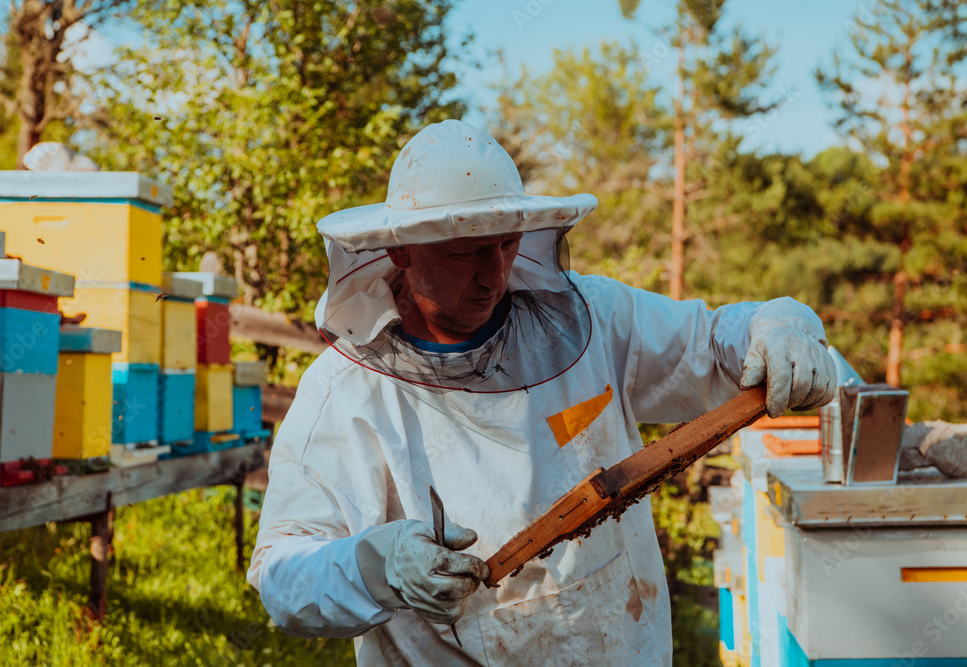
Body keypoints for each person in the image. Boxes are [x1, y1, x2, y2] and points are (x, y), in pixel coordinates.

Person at [247, 120, 838, 666]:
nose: (493, 274)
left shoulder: (593, 317)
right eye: (464, 253)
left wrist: (779, 326)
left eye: (506, 245)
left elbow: (713, 341)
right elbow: (283, 574)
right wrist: (380, 567)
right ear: (399, 250)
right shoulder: (345, 391)